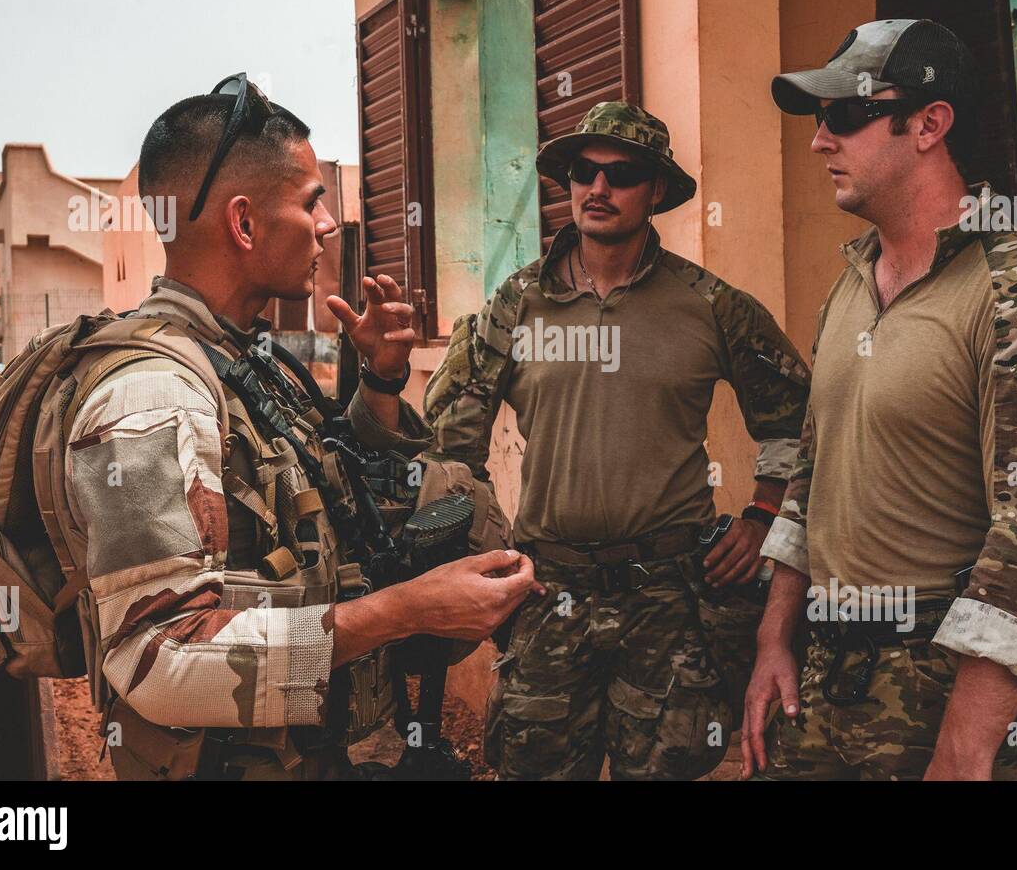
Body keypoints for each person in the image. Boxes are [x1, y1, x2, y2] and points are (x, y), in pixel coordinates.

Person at [66, 75, 537, 779]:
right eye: (313, 202)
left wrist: (378, 383)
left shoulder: (241, 354)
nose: (329, 225)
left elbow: (311, 489)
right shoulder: (152, 397)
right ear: (245, 223)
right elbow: (157, 660)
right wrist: (405, 610)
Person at [741, 20, 1017, 780]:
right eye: (817, 121)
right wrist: (773, 642)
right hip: (826, 687)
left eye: (844, 116)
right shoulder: (849, 286)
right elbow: (810, 478)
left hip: (942, 685)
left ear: (929, 124)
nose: (821, 141)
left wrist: (962, 749)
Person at [423, 101, 811, 779]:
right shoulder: (516, 305)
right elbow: (453, 442)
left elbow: (796, 420)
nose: (598, 188)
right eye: (584, 171)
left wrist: (763, 519)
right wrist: (483, 547)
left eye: (622, 173)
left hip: (667, 592)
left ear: (656, 190)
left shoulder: (710, 304)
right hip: (548, 588)